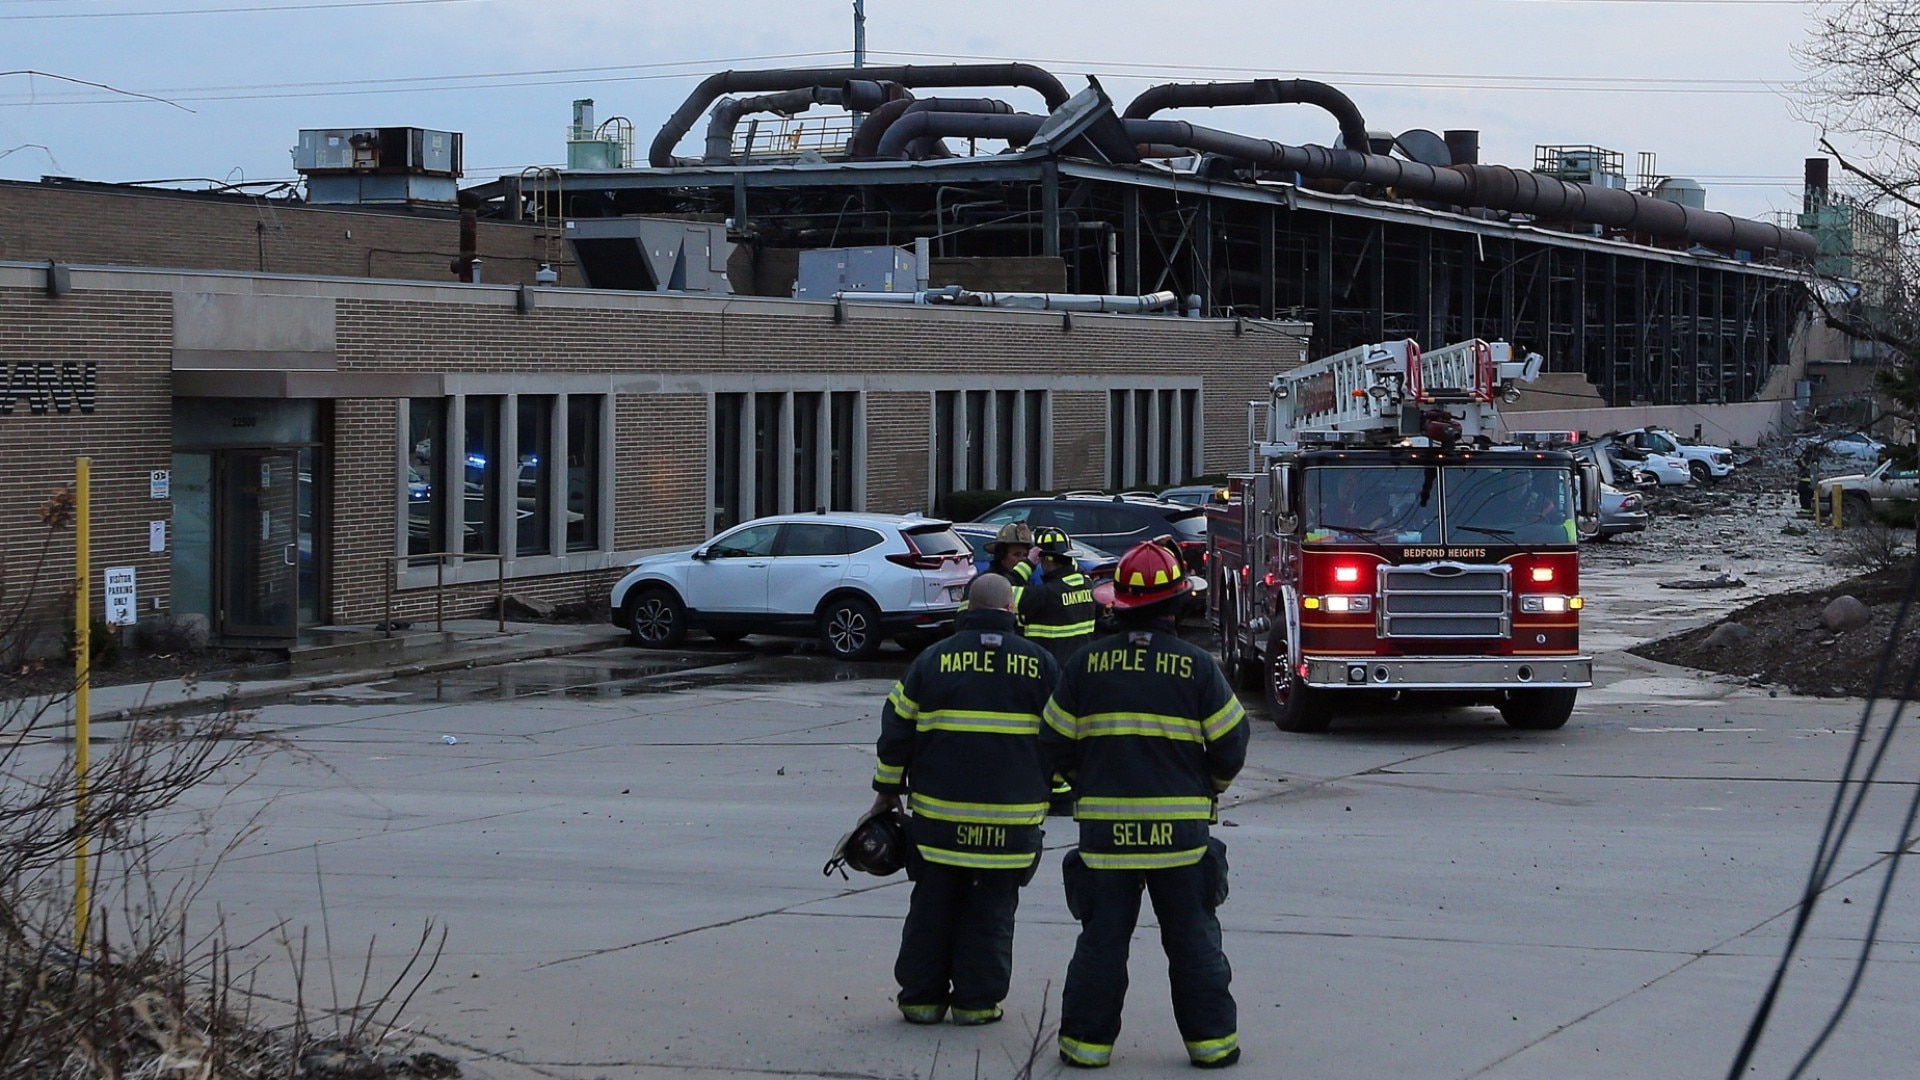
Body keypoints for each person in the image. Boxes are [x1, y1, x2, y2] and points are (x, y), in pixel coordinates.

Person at [1041, 539, 1250, 1070]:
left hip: (1106, 838)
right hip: (1181, 838)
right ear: (1177, 605)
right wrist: (1210, 787)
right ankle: (1212, 1047)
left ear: (1121, 602)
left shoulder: (1085, 666)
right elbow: (1231, 743)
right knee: (1193, 943)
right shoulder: (1197, 666)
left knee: (1102, 943)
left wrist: (1083, 782)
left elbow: (1054, 743)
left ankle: (1085, 1048)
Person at [871, 571, 1060, 1027]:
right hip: (1011, 823)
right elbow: (1067, 734)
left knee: (932, 907)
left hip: (939, 822)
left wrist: (886, 792)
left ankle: (920, 1000)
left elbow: (897, 728)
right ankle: (977, 1004)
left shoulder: (931, 661)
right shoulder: (1042, 664)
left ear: (968, 611)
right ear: (1011, 611)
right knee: (991, 913)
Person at [1017, 527, 1096, 665]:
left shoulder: (1045, 593)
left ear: (1046, 560)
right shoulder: (1089, 585)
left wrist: (1027, 564)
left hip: (1049, 671)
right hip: (1081, 667)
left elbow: (1002, 591)